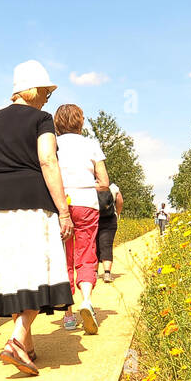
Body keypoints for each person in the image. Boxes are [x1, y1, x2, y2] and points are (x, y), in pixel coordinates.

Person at [0, 60, 73, 375]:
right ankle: (16, 341)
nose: (46, 99)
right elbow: (47, 160)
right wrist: (64, 211)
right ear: (32, 91)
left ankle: (27, 346)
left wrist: (1, 185)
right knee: (36, 271)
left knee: (11, 271)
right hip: (32, 201)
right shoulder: (41, 119)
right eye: (45, 92)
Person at [53, 104, 109, 334]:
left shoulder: (51, 144)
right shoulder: (90, 144)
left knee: (63, 256)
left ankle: (68, 314)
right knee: (86, 253)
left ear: (57, 123)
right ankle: (86, 301)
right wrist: (87, 185)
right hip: (87, 203)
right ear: (80, 122)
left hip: (61, 203)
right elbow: (104, 182)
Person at [96, 182, 123, 282]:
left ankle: (94, 273)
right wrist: (117, 213)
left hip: (93, 218)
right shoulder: (113, 187)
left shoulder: (90, 186)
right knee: (107, 244)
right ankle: (107, 273)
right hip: (110, 219)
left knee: (94, 245)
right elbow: (120, 202)